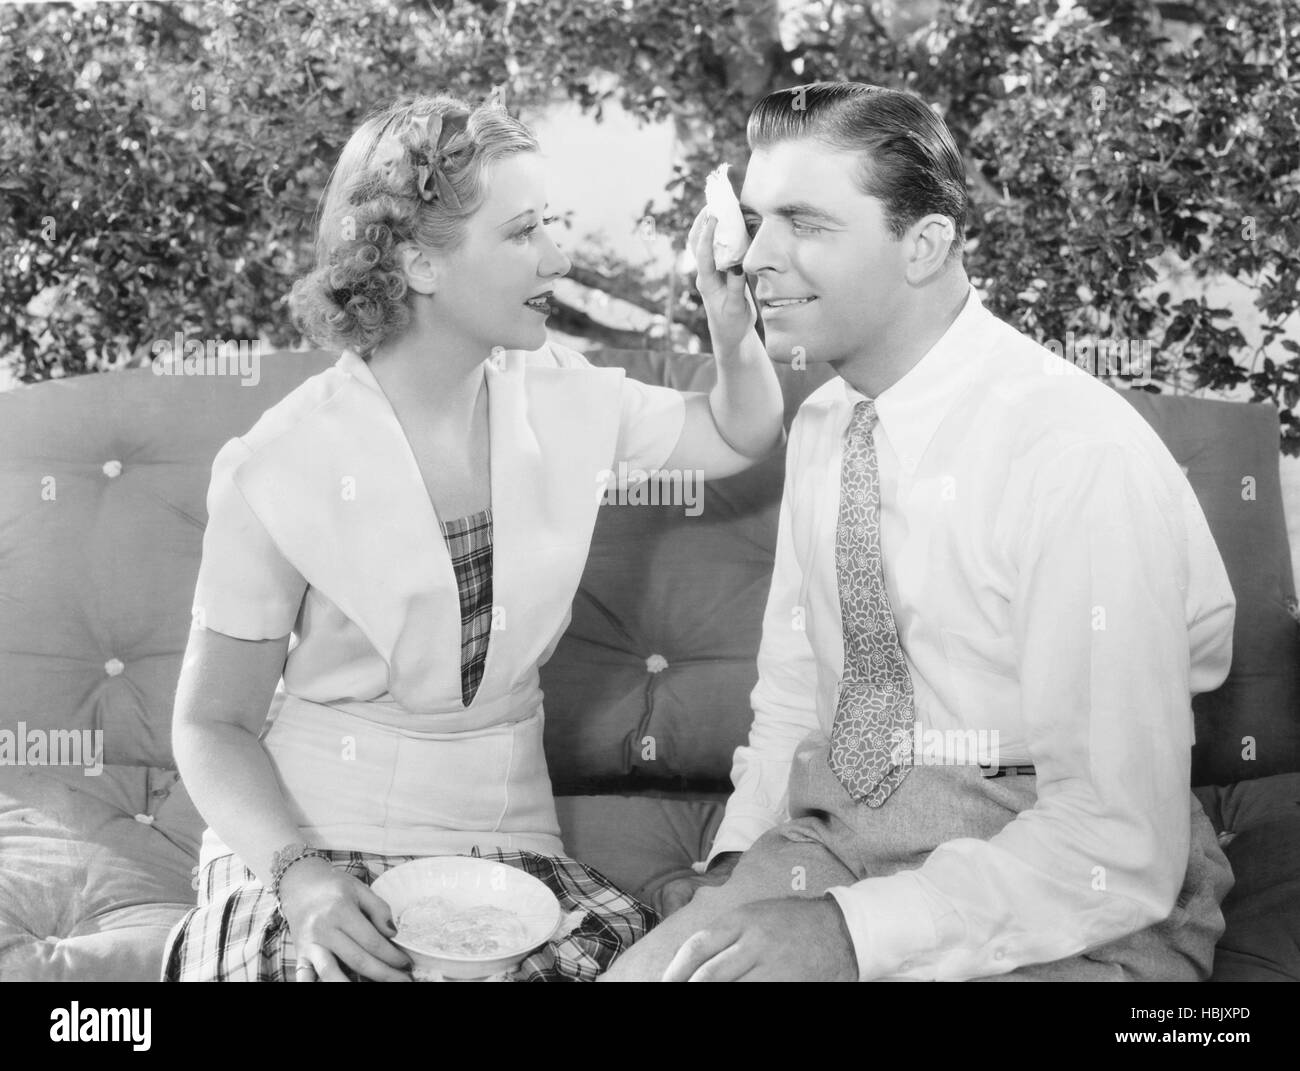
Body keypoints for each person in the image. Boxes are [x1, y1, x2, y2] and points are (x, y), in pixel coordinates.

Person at [603, 81, 1236, 982]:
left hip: (1070, 883)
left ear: (925, 244)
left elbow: (1118, 841)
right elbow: (795, 692)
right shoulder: (825, 425)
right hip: (837, 840)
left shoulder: (1077, 455)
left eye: (806, 222)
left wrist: (846, 935)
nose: (757, 258)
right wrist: (739, 861)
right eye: (755, 219)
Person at [161, 93, 782, 982]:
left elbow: (735, 430)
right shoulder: (277, 464)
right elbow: (212, 722)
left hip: (504, 851)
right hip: (310, 845)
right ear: (418, 260)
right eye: (523, 232)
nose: (558, 258)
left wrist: (730, 320)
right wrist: (304, 880)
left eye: (552, 226)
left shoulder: (561, 393)